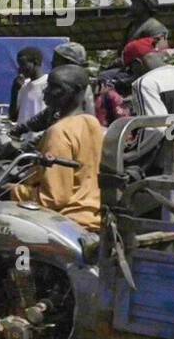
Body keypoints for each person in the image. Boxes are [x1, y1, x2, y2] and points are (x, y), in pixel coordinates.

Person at [9, 66, 103, 230]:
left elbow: (54, 197)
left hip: (68, 220)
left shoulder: (58, 132)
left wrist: (13, 191)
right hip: (94, 214)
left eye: (55, 87)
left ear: (75, 91)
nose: (47, 91)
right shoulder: (92, 123)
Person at [124, 37, 174, 180]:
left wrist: (130, 154)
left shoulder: (145, 82)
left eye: (130, 70)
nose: (131, 75)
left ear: (137, 63)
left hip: (164, 170)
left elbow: (155, 129)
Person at [11, 47, 48, 125]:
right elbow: (13, 117)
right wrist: (15, 90)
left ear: (36, 62)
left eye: (23, 64)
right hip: (23, 135)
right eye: (19, 65)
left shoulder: (49, 83)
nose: (20, 69)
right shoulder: (23, 85)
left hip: (41, 135)